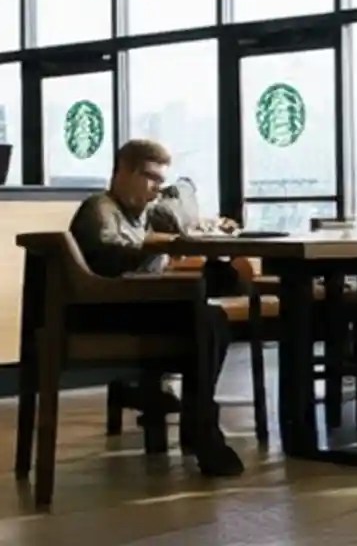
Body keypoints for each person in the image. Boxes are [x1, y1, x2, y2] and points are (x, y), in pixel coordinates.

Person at [68, 139, 244, 477]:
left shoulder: (145, 214)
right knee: (205, 319)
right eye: (150, 178)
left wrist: (197, 226)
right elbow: (112, 250)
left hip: (137, 307)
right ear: (123, 171)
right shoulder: (99, 208)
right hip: (103, 313)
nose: (155, 189)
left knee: (212, 317)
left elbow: (181, 212)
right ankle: (201, 427)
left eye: (160, 181)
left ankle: (199, 420)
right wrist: (158, 243)